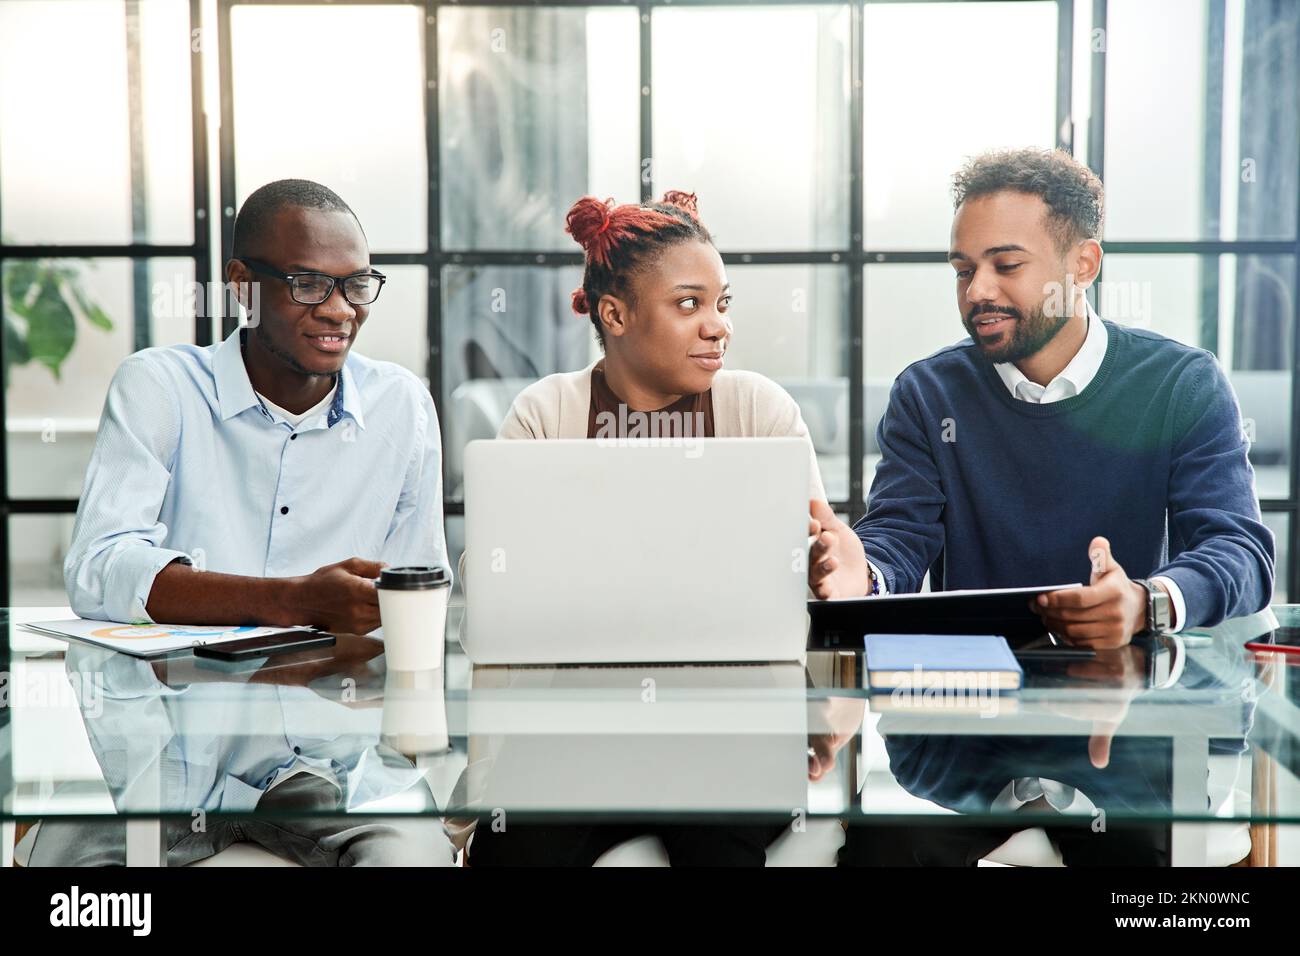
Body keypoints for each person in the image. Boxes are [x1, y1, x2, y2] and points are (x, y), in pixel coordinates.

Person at [831, 147, 1275, 866]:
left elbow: (1239, 552)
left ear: (1083, 265)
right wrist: (862, 576)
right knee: (879, 857)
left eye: (1006, 266)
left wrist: (1144, 602)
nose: (978, 289)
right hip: (964, 744)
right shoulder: (928, 394)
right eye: (962, 268)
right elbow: (896, 539)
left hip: (1133, 741)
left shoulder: (1181, 384)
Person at [56, 178, 455, 866]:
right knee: (80, 891)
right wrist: (293, 601)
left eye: (358, 285)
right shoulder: (162, 388)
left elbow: (419, 599)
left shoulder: (404, 407)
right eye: (307, 284)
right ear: (242, 284)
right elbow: (100, 568)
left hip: (344, 779)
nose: (339, 311)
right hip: (181, 776)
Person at [466, 190, 836, 866]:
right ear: (616, 313)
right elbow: (492, 592)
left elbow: (833, 555)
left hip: (735, 724)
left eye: (722, 304)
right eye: (689, 304)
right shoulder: (547, 412)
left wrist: (830, 562)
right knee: (513, 853)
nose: (718, 326)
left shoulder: (758, 408)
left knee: (724, 849)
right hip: (572, 725)